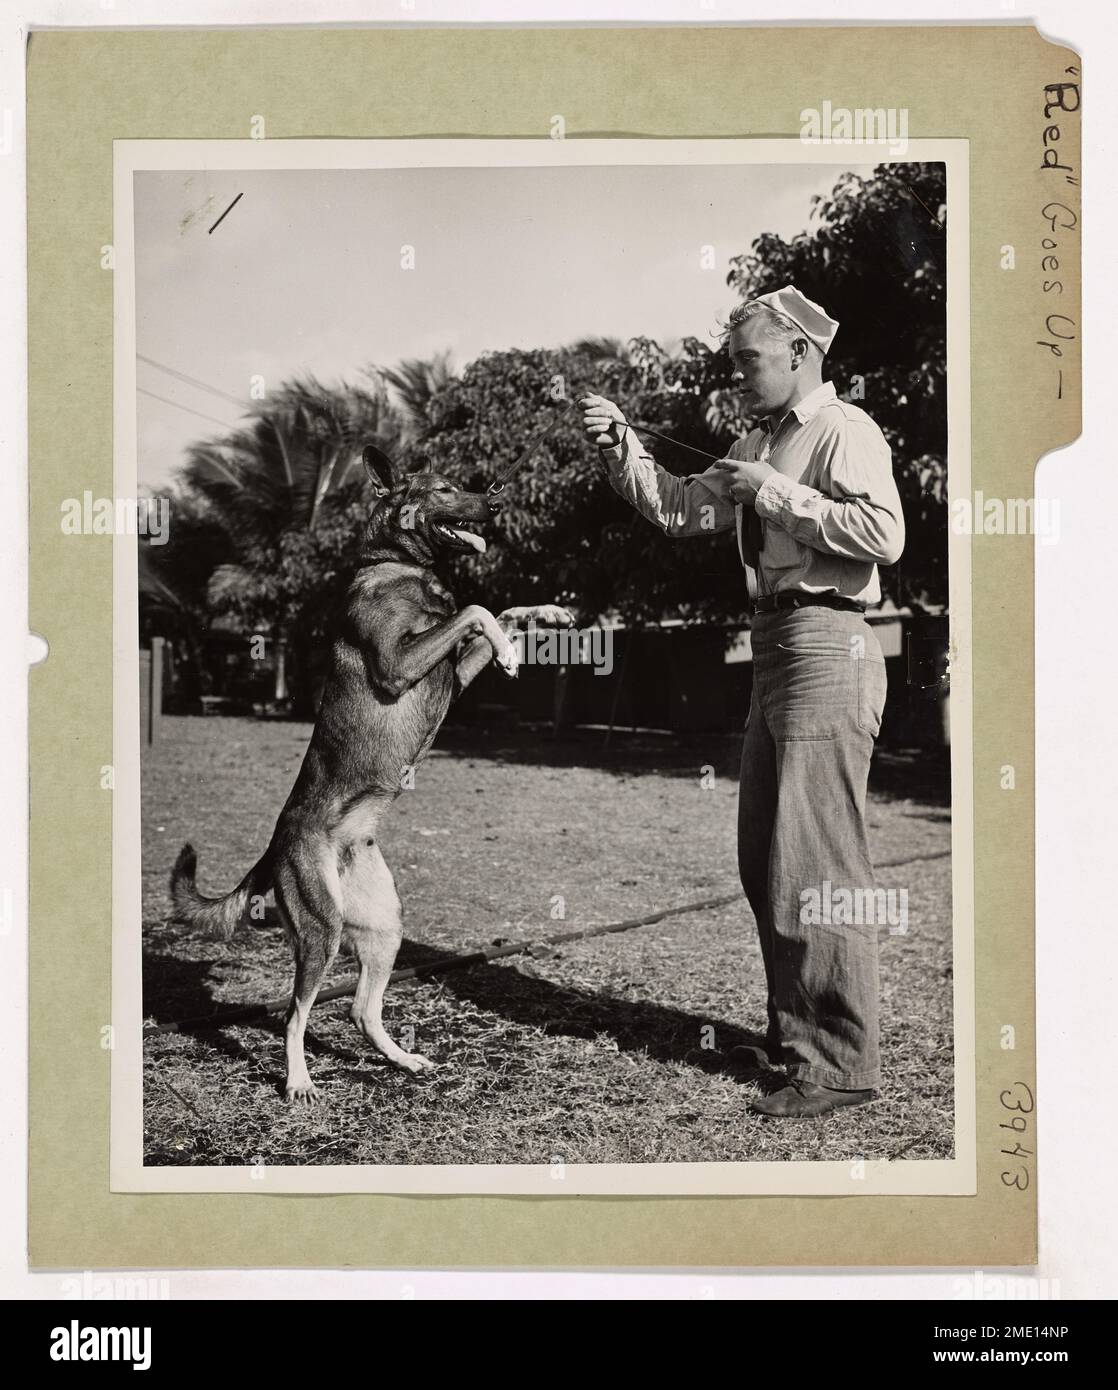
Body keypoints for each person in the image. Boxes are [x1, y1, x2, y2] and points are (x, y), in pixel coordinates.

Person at [580, 286, 905, 1118]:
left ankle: (840, 1066)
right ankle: (799, 1041)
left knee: (815, 863)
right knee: (768, 861)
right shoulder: (756, 439)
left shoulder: (844, 430)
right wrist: (623, 448)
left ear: (799, 353)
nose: (737, 379)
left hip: (828, 641)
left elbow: (883, 535)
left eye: (748, 362)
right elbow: (681, 510)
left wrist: (770, 492)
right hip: (774, 647)